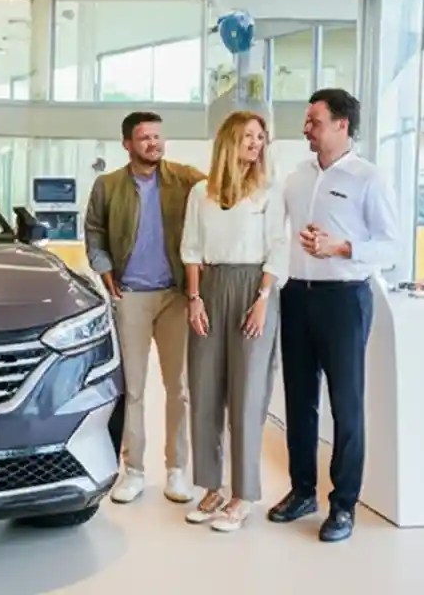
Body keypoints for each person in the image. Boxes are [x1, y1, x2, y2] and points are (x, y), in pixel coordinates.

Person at [268, 89, 398, 543]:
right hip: (297, 298)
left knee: (347, 405)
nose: (306, 128)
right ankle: (303, 490)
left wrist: (340, 246)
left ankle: (343, 505)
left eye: (314, 120)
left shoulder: (369, 178)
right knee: (299, 402)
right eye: (307, 120)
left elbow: (391, 246)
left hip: (345, 299)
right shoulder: (296, 177)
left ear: (342, 125)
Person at [85, 111, 206, 505]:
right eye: (144, 138)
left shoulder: (185, 180)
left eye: (157, 136)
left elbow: (222, 193)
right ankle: (133, 470)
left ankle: (177, 471)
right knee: (132, 390)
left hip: (174, 296)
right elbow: (94, 233)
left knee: (181, 389)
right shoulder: (108, 186)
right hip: (131, 297)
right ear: (127, 143)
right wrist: (104, 272)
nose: (153, 143)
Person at [179, 111, 287, 532]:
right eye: (248, 136)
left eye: (261, 137)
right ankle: (211, 486)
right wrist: (194, 298)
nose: (256, 143)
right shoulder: (201, 192)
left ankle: (243, 495)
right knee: (204, 390)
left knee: (247, 394)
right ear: (229, 141)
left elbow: (278, 248)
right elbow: (190, 247)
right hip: (210, 285)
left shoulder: (268, 193)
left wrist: (262, 299)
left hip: (253, 287)